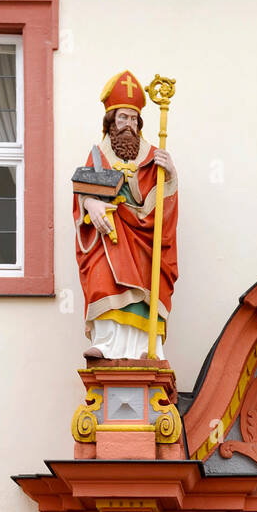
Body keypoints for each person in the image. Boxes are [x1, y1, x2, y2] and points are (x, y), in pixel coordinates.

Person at [74, 71, 177, 361]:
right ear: (111, 123)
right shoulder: (99, 155)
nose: (129, 125)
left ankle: (147, 346)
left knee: (146, 286)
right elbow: (82, 191)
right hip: (108, 235)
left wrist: (170, 175)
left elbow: (165, 205)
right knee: (101, 276)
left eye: (133, 120)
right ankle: (106, 343)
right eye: (123, 119)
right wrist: (90, 203)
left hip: (143, 235)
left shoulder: (153, 156)